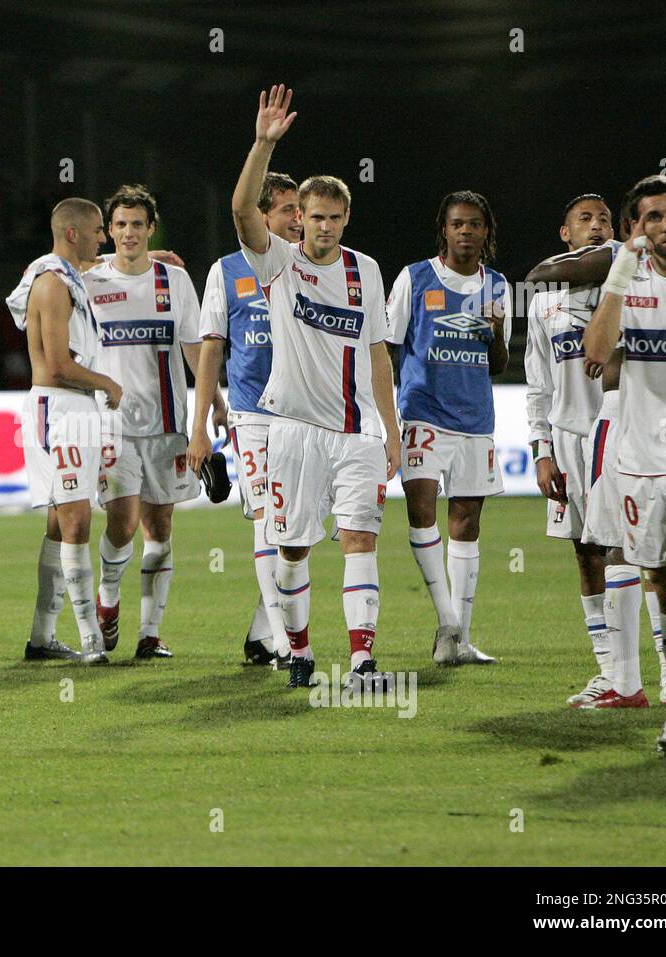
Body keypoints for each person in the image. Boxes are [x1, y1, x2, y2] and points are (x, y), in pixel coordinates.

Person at [231, 85, 400, 691]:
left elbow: (377, 350)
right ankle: (300, 654)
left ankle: (362, 662)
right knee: (295, 549)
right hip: (293, 431)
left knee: (360, 540)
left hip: (356, 431)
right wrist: (262, 142)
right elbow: (242, 209)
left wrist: (392, 429)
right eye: (314, 216)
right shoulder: (278, 261)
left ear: (346, 219)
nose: (324, 226)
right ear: (298, 217)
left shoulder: (367, 271)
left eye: (335, 217)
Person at [526, 195, 666, 707]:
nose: (596, 226)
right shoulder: (544, 299)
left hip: (623, 425)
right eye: (584, 220)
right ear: (565, 232)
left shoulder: (633, 277)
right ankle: (610, 668)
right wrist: (542, 448)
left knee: (644, 550)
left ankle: (665, 670)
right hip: (570, 437)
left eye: (604, 219)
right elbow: (538, 382)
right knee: (588, 550)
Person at [585, 175, 666, 754]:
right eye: (650, 219)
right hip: (638, 464)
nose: (663, 227)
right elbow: (594, 354)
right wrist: (620, 268)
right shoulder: (627, 282)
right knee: (660, 582)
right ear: (637, 226)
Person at [86, 184, 218, 659]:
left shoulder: (174, 281)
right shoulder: (89, 279)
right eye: (119, 224)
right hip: (111, 426)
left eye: (137, 224)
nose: (128, 232)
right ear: (108, 230)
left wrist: (212, 403)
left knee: (159, 532)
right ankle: (107, 597)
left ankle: (150, 634)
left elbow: (193, 348)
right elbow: (39, 274)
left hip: (167, 427)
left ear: (150, 227)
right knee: (122, 522)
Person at [386, 190, 509, 665]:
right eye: (457, 223)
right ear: (444, 229)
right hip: (423, 413)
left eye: (474, 224)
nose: (465, 231)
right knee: (420, 512)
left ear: (485, 232)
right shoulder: (415, 278)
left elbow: (496, 363)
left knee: (467, 523)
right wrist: (389, 413)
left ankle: (462, 638)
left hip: (475, 419)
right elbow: (387, 344)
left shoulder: (496, 285)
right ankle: (446, 624)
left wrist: (496, 332)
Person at [187, 172, 301, 667]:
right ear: (261, 216)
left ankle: (261, 633)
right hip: (253, 415)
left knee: (293, 532)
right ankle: (283, 641)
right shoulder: (227, 271)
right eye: (287, 210)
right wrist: (199, 427)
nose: (299, 218)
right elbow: (212, 346)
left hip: (306, 416)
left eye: (301, 209)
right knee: (264, 520)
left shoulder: (310, 264)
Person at [6, 198, 122, 663]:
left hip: (72, 410)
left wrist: (157, 259)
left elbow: (101, 260)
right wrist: (106, 382)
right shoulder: (53, 286)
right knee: (76, 522)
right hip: (60, 409)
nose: (104, 237)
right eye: (97, 229)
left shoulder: (62, 275)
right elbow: (56, 365)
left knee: (59, 524)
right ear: (72, 233)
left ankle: (41, 638)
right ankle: (93, 642)